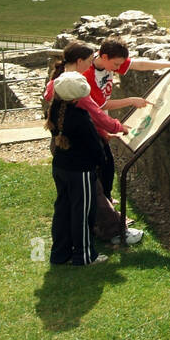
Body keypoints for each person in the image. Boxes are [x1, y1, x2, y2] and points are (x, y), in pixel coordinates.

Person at [43, 42, 148, 248]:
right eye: (90, 61)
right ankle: (112, 233)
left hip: (62, 157)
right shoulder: (78, 94)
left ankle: (62, 247)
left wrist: (103, 133)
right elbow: (96, 114)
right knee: (93, 193)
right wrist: (118, 128)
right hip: (78, 159)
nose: (92, 64)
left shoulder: (58, 88)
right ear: (80, 61)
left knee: (69, 201)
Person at [88, 39, 170, 244]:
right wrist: (131, 101)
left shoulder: (105, 64)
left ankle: (106, 205)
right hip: (94, 126)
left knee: (107, 167)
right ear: (103, 56)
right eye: (116, 65)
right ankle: (105, 219)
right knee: (102, 167)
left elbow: (139, 64)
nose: (118, 69)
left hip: (101, 125)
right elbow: (99, 105)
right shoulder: (87, 75)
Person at [46, 71, 109, 266]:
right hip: (80, 171)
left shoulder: (55, 110)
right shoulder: (81, 117)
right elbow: (94, 145)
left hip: (61, 166)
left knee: (63, 209)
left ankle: (59, 253)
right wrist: (101, 161)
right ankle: (84, 255)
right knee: (82, 212)